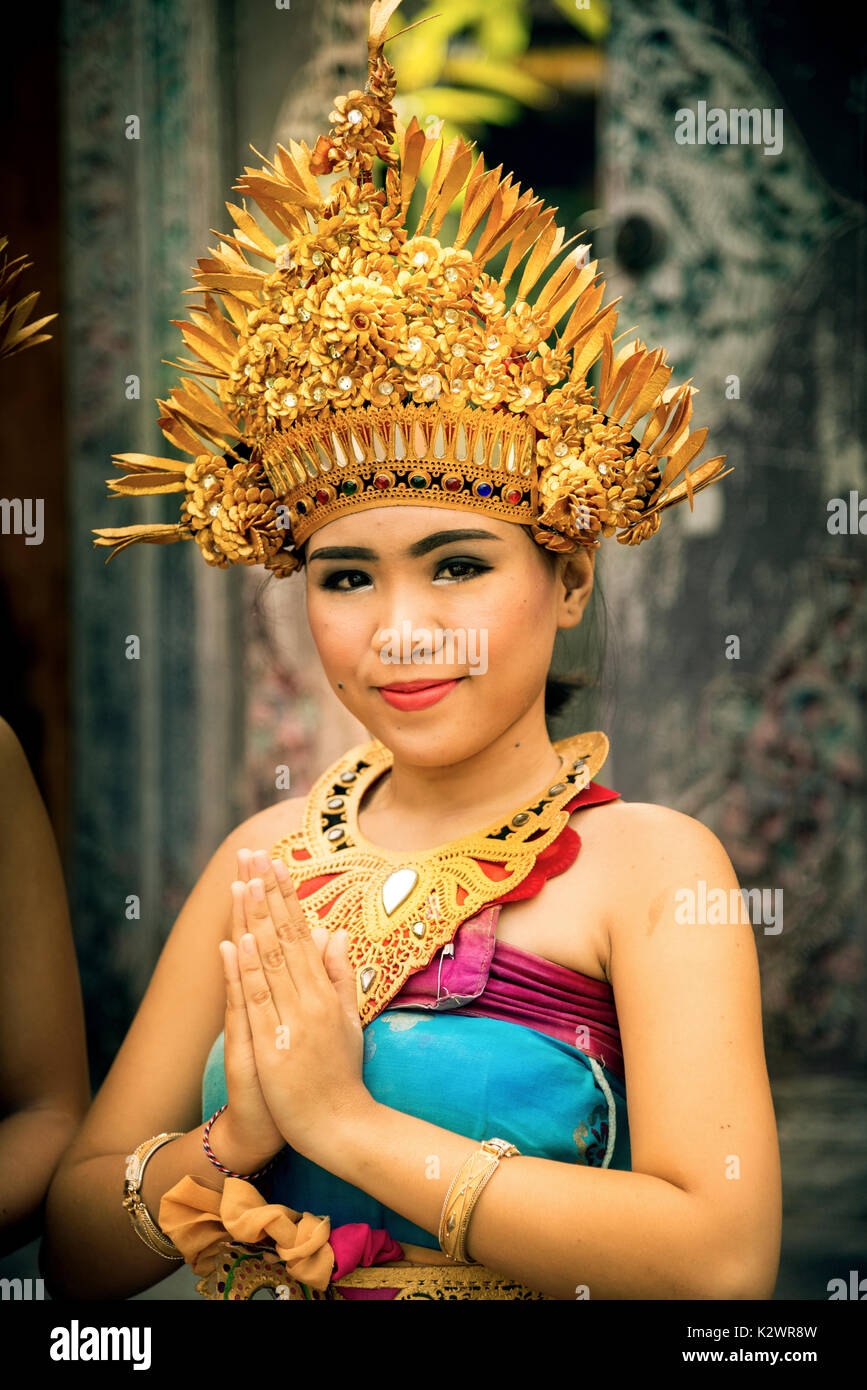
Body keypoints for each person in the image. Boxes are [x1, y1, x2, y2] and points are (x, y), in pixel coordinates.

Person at [43, 0, 781, 1300]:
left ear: (566, 577)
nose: (403, 629)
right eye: (344, 575)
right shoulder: (261, 865)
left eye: (457, 563)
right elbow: (71, 1247)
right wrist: (229, 1146)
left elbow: (717, 1258)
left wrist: (347, 1127)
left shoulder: (652, 869)